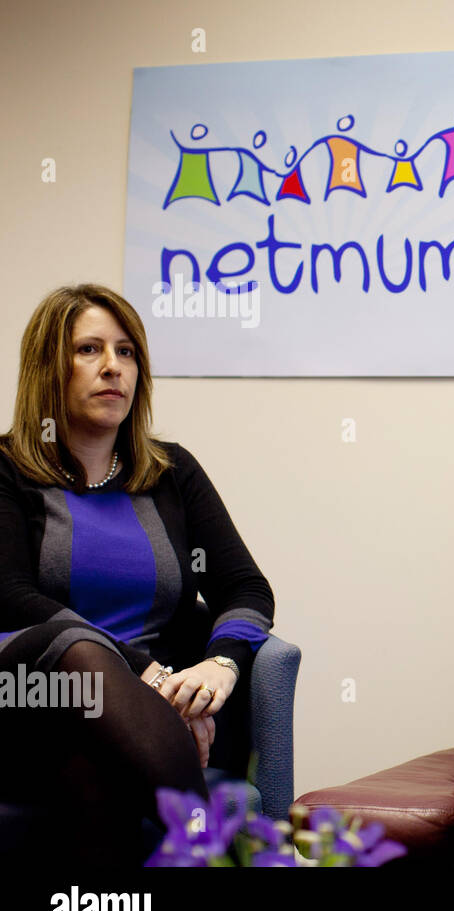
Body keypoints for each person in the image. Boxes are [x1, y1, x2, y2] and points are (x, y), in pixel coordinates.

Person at [0, 283, 274, 864]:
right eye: (89, 350)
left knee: (96, 766)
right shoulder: (6, 471)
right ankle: (212, 853)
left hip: (125, 721)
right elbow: (9, 595)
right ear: (48, 366)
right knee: (77, 650)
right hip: (25, 696)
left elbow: (245, 588)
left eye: (126, 353)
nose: (112, 368)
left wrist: (219, 666)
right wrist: (146, 678)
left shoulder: (172, 473)